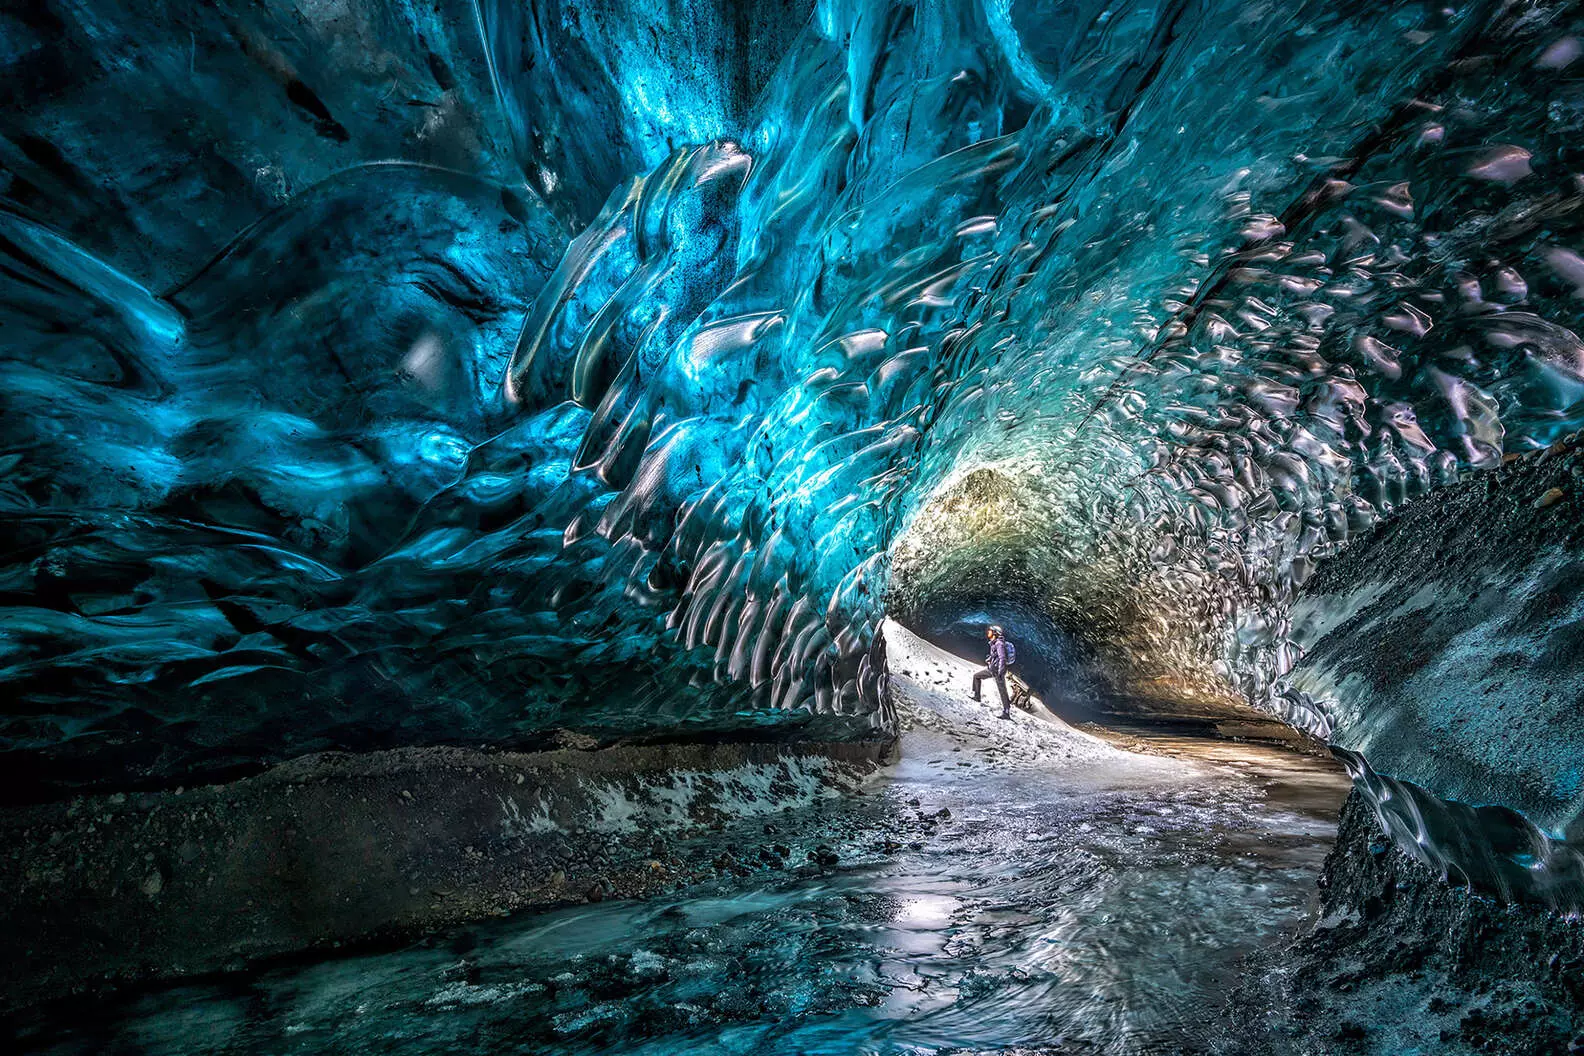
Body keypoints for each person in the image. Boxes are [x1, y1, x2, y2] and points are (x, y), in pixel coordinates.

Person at [971, 624, 1014, 719]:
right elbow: (996, 655)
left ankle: (1006, 713)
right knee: (976, 676)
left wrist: (1000, 671)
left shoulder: (999, 643)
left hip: (997, 671)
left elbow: (1002, 658)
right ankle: (977, 696)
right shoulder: (994, 643)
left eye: (990, 631)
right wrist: (990, 659)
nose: (988, 632)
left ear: (994, 633)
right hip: (992, 669)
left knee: (1002, 691)